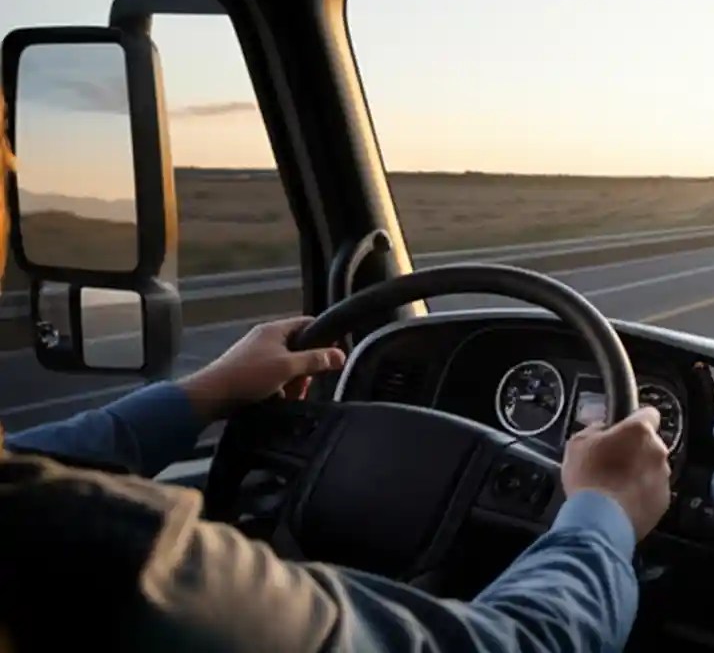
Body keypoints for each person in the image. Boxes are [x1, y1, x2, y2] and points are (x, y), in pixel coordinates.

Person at [0, 87, 673, 652]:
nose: (15, 171)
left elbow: (29, 461)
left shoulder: (40, 516)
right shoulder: (90, 556)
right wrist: (603, 511)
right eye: (8, 148)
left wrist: (211, 393)